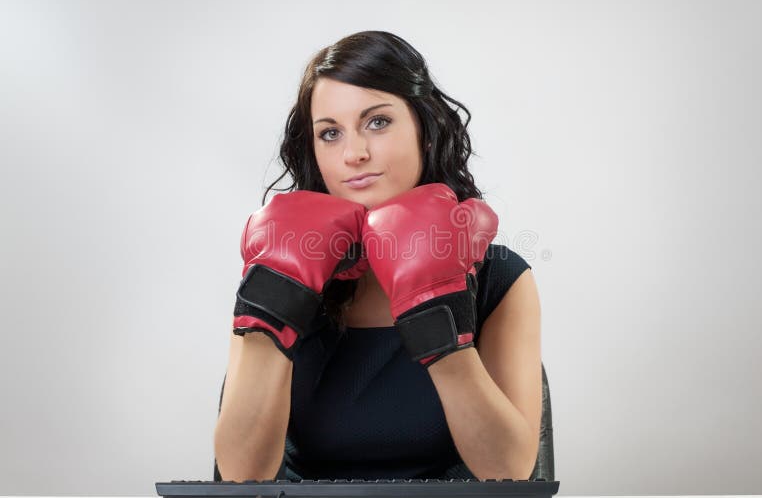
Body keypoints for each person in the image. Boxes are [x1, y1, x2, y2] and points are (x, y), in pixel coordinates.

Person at [213, 30, 542, 482]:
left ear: (425, 130)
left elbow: (510, 471)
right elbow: (239, 477)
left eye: (378, 122)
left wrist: (436, 311)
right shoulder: (277, 261)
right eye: (330, 133)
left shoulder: (500, 277)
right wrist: (279, 295)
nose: (354, 154)